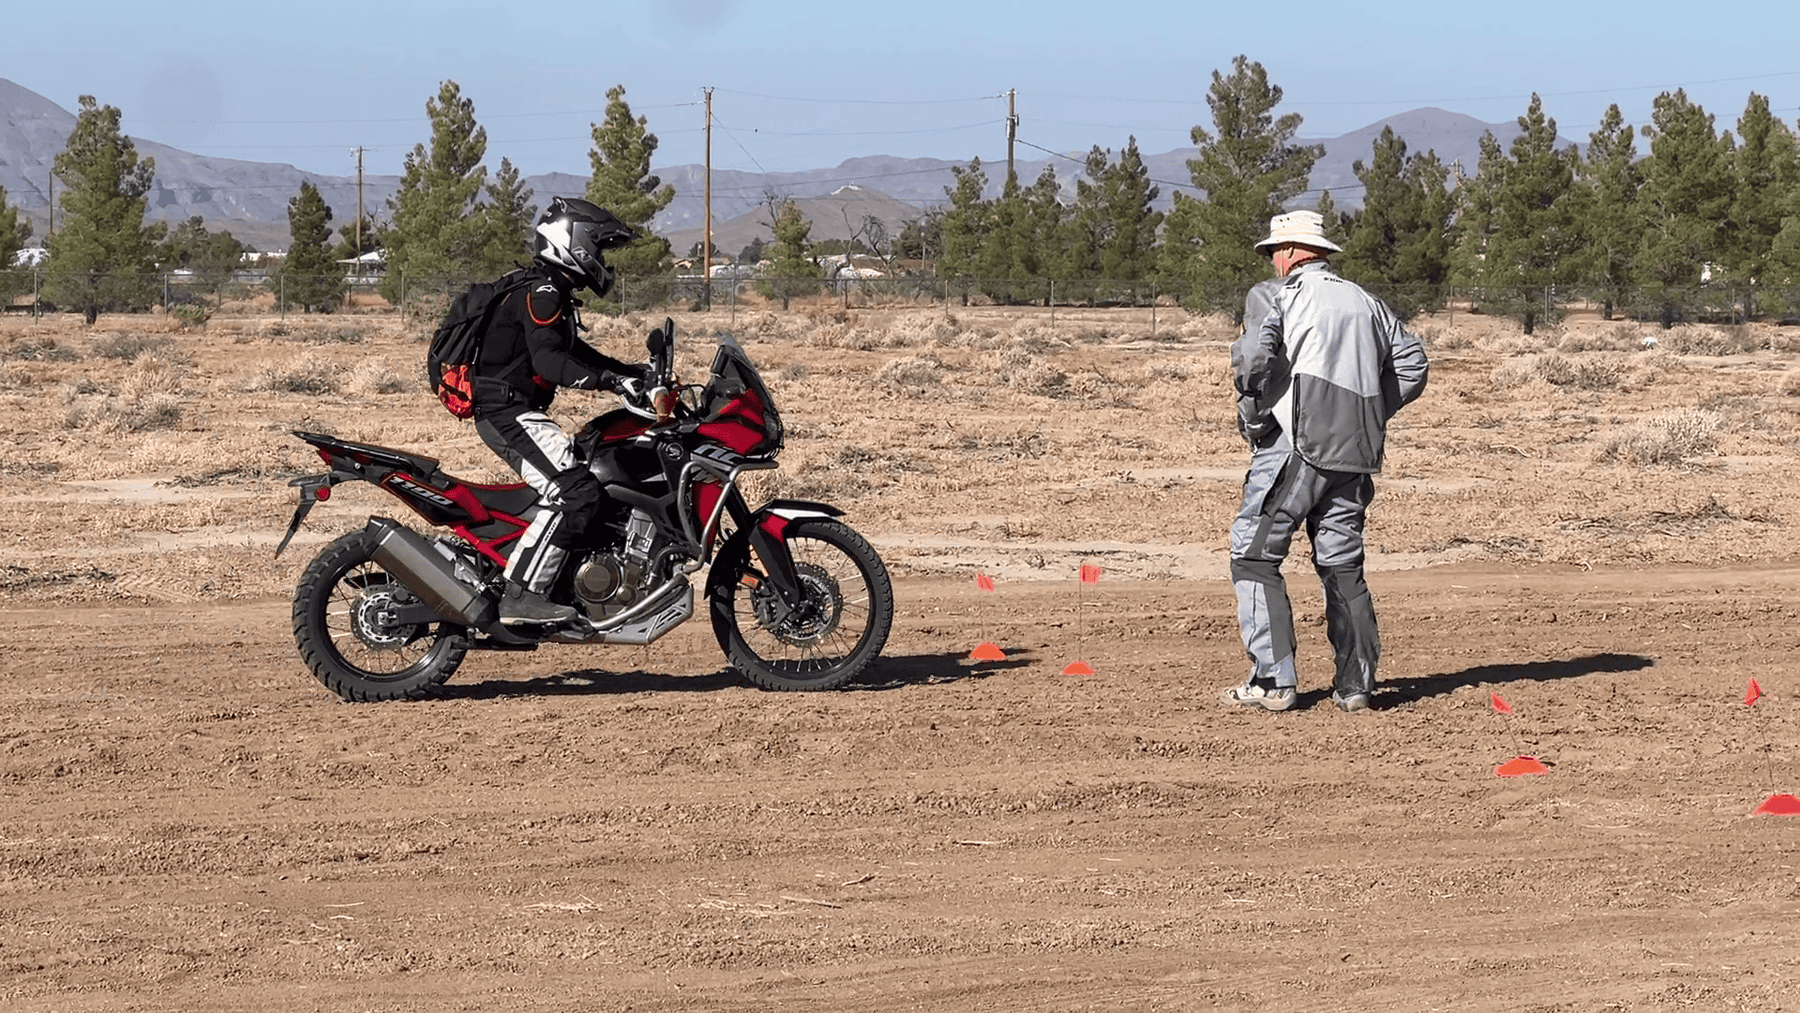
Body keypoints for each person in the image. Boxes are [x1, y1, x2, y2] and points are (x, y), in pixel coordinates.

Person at [1222, 210, 1429, 712]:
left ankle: (1273, 682)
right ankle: (1356, 685)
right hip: (1356, 454)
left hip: (1299, 446)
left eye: (1273, 251)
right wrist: (1369, 412)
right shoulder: (1367, 300)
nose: (1271, 260)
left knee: (1253, 554)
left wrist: (1253, 414)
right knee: (1341, 562)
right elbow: (1413, 364)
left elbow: (1253, 362)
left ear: (1291, 251)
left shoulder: (1274, 295)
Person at [471, 196, 648, 625]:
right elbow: (549, 362)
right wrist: (612, 382)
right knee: (574, 492)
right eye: (599, 248)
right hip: (506, 412)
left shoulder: (549, 289)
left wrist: (627, 372)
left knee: (585, 483)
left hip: (512, 409)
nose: (602, 259)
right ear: (577, 242)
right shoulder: (543, 291)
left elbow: (572, 351)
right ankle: (521, 596)